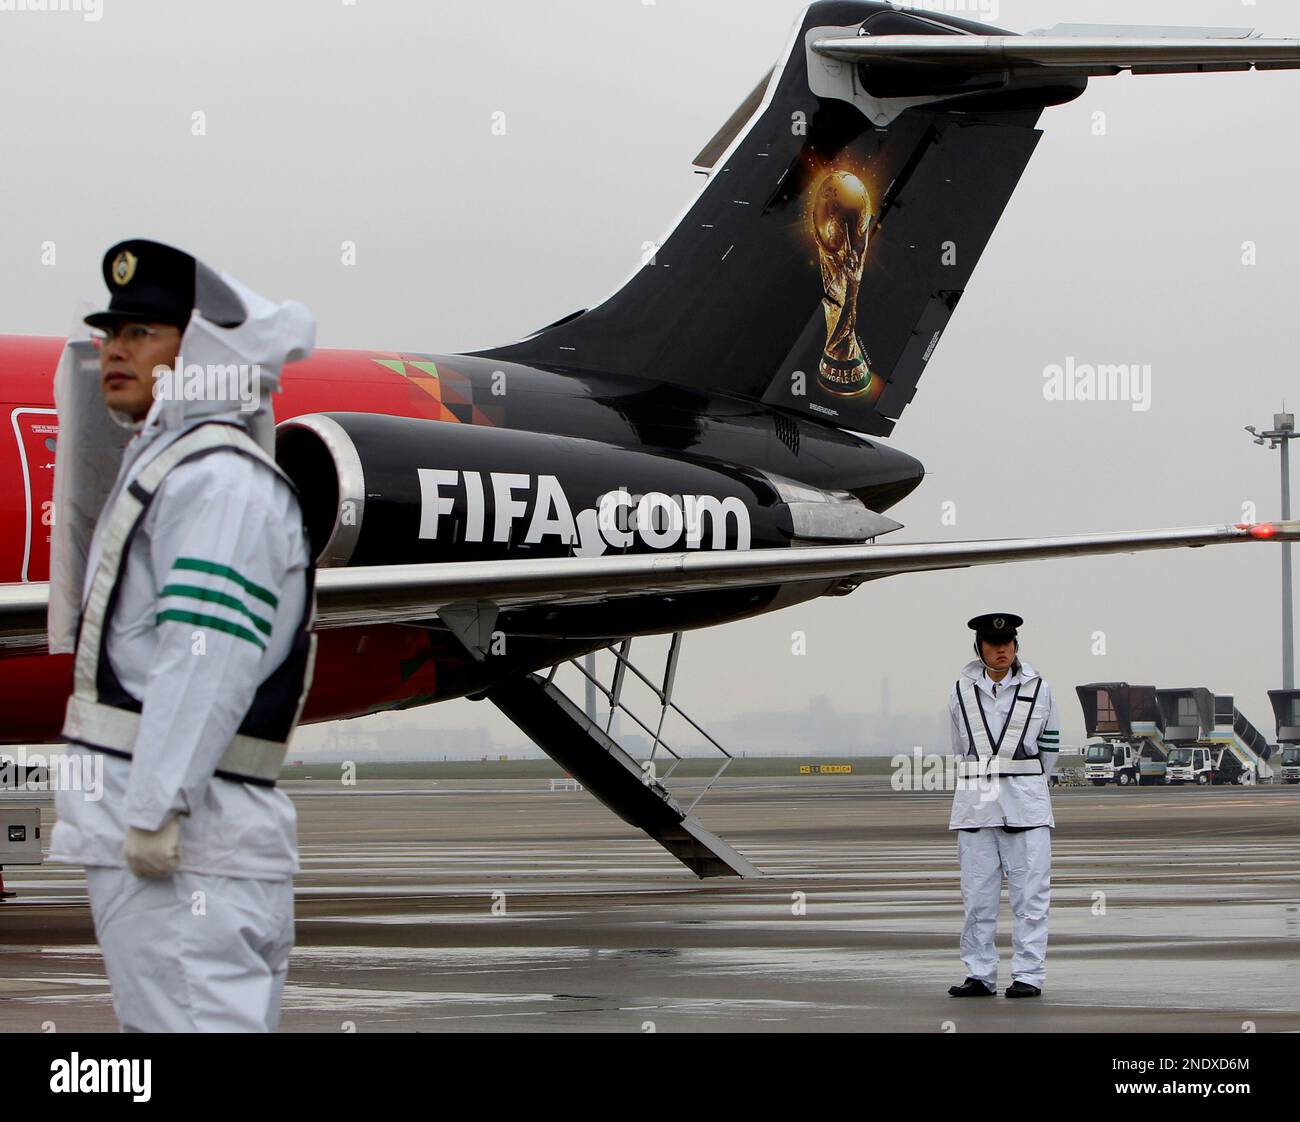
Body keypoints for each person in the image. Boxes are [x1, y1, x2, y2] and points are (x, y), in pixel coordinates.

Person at [46, 238, 317, 1031]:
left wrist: (154, 810)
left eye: (141, 334)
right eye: (110, 333)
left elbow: (206, 655)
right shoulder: (179, 467)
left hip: (185, 846)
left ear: (200, 354)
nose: (113, 351)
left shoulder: (217, 484)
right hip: (186, 841)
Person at [946, 613, 1060, 999]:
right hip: (976, 808)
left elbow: (1051, 748)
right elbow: (960, 746)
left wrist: (1026, 783)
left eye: (1008, 644)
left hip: (1026, 807)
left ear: (1016, 646)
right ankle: (980, 974)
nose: (1002, 650)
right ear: (979, 648)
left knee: (1030, 898)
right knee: (977, 897)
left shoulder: (1040, 688)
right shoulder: (960, 691)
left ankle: (1028, 974)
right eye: (994, 645)